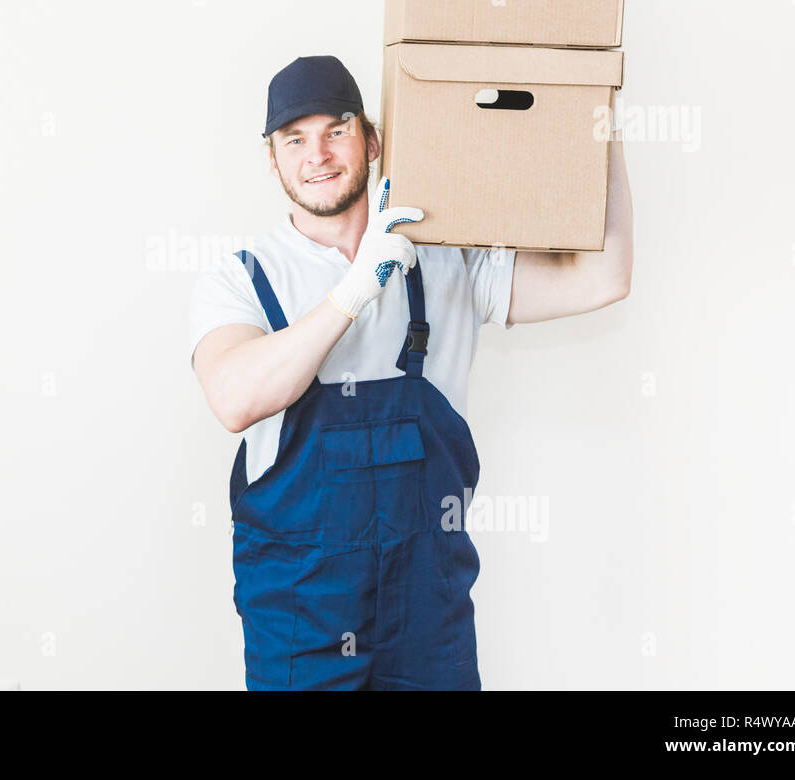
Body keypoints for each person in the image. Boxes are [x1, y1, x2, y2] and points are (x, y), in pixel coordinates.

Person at [189, 55, 633, 690]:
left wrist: (600, 108)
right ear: (273, 159)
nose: (317, 153)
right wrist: (355, 289)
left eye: (336, 130)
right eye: (294, 139)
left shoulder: (446, 259)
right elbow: (233, 398)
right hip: (300, 618)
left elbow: (603, 276)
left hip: (426, 612)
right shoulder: (242, 275)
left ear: (372, 141)